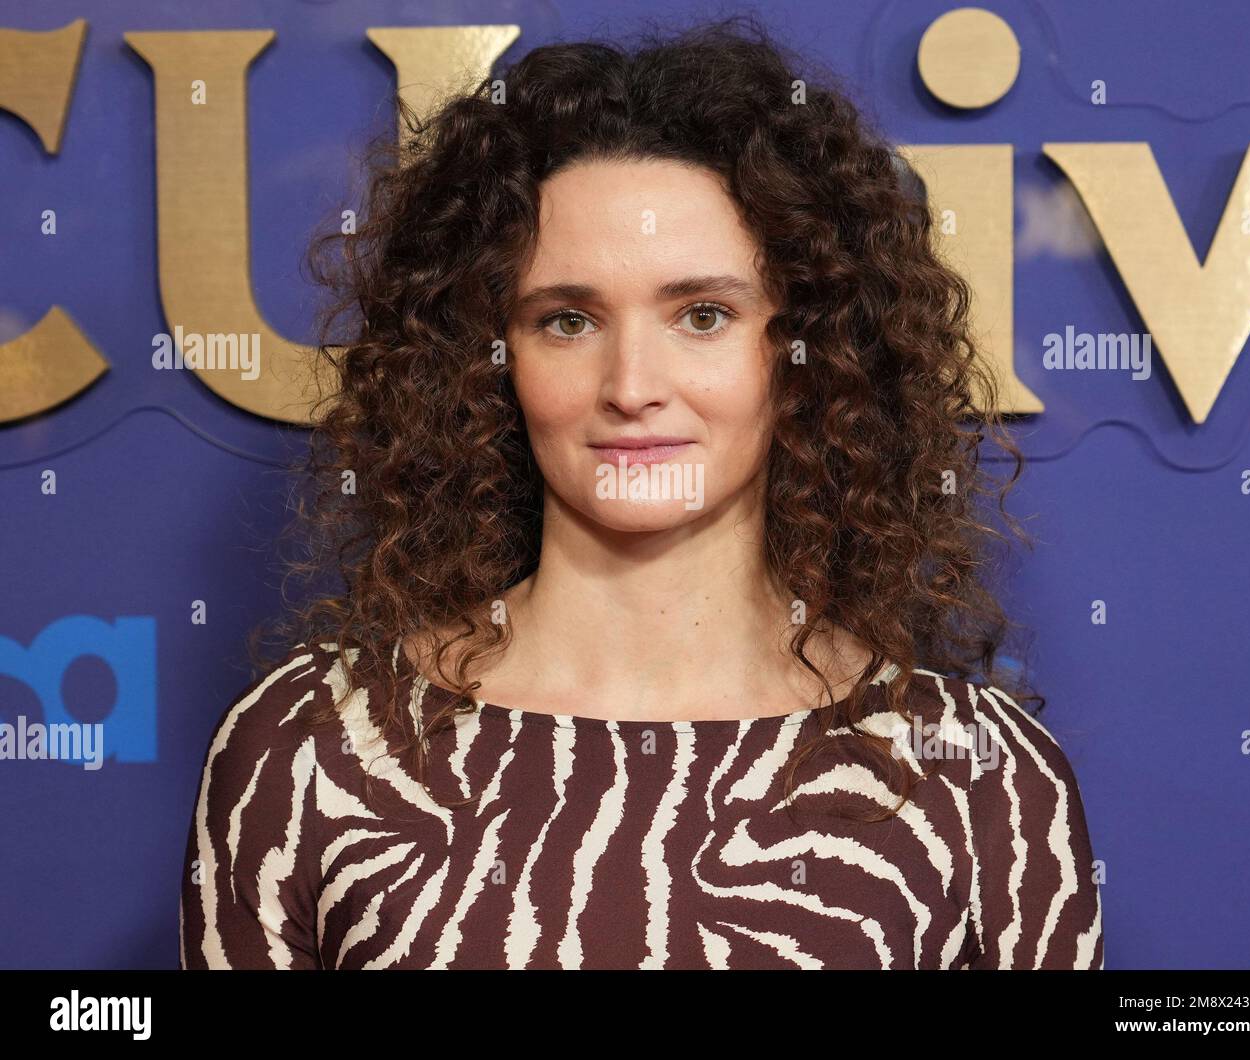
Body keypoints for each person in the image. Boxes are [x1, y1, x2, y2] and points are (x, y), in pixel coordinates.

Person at [179, 16, 1103, 970]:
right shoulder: (312, 751)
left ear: (808, 354)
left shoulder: (973, 776)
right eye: (568, 320)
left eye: (702, 315)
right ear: (485, 361)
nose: (631, 386)